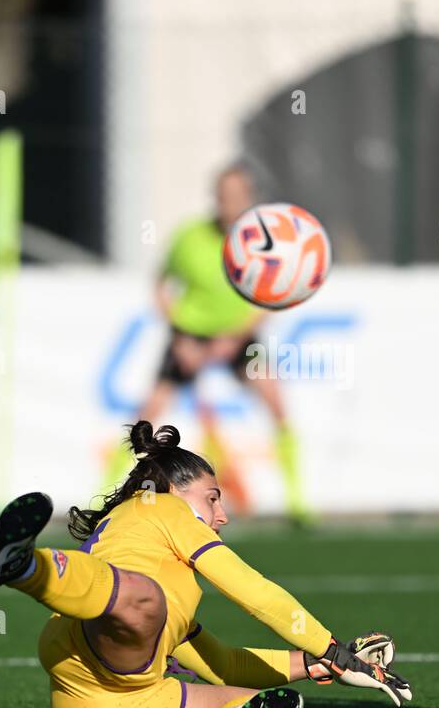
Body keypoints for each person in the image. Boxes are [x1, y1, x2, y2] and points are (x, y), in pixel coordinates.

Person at [0, 421, 410, 708]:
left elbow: (224, 664)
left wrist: (316, 666)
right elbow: (251, 590)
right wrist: (331, 647)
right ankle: (21, 568)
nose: (222, 515)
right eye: (212, 497)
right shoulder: (165, 509)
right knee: (145, 602)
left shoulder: (158, 560)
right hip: (99, 654)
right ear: (173, 489)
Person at [101, 164, 311, 524]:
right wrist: (182, 336)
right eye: (224, 195)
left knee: (276, 402)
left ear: (249, 198)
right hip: (191, 336)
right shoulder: (189, 237)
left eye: (238, 196)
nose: (230, 202)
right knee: (148, 411)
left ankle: (297, 502)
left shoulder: (261, 243)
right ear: (215, 197)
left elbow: (272, 295)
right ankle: (107, 492)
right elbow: (161, 287)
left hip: (239, 336)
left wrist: (235, 337)